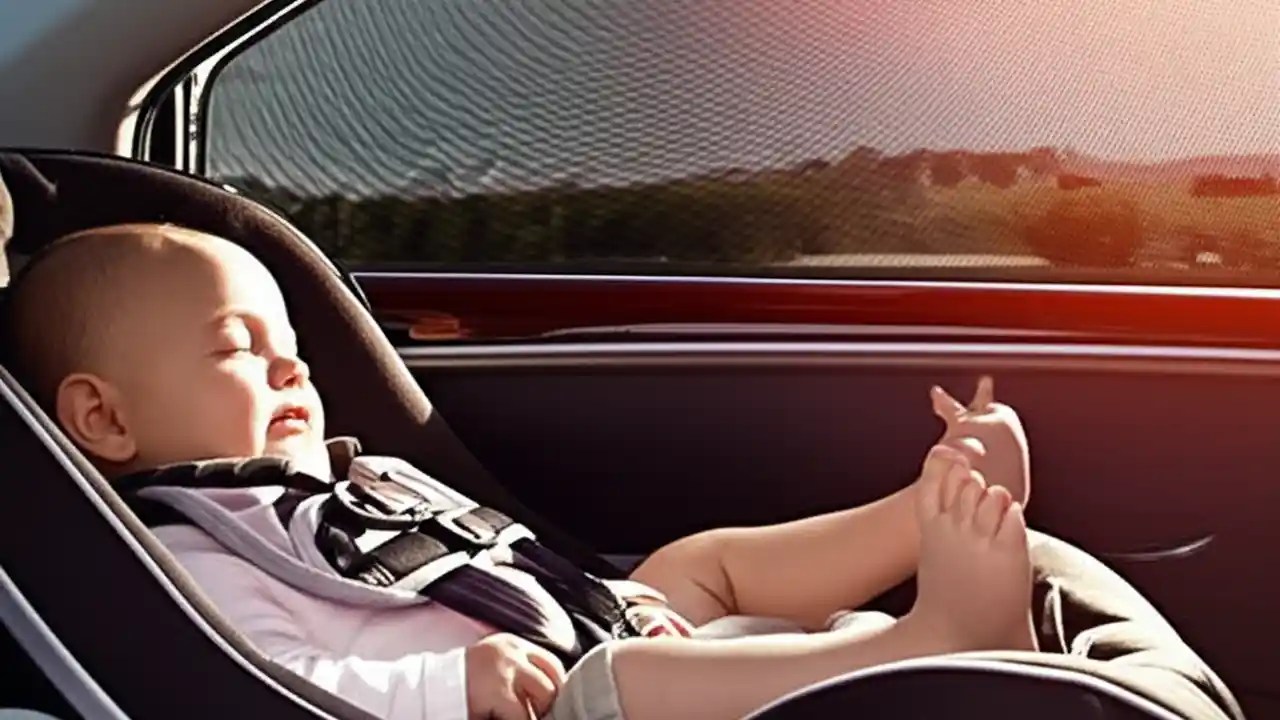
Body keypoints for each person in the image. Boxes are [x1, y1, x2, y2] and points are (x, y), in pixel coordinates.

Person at [3, 223, 1039, 720]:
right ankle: (937, 639)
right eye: (236, 347)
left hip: (574, 618)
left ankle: (917, 513)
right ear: (102, 416)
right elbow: (272, 689)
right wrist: (447, 686)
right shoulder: (186, 553)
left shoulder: (332, 487)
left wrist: (604, 607)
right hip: (543, 701)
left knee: (696, 565)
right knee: (630, 675)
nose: (287, 366)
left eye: (291, 349)